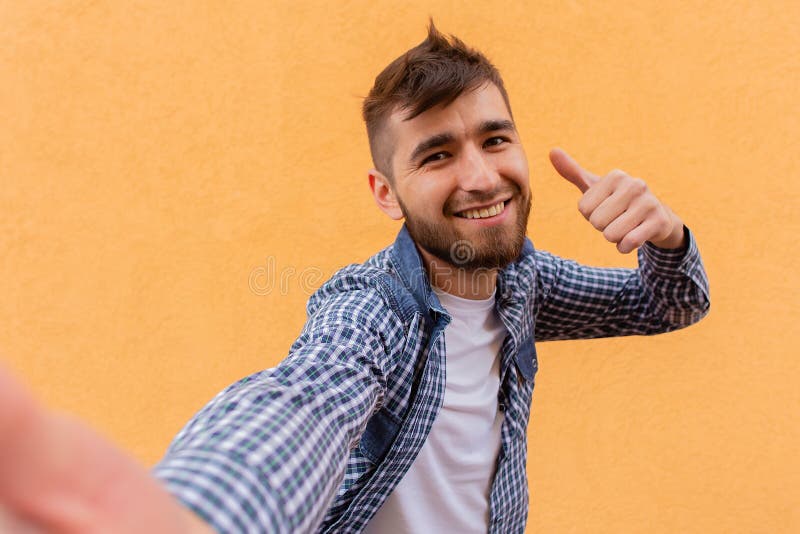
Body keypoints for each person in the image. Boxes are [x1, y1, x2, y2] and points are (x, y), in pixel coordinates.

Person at [0, 22, 709, 534]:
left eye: (494, 139)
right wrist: (189, 516)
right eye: (436, 156)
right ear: (385, 192)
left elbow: (667, 305)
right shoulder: (372, 312)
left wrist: (667, 240)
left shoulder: (523, 282)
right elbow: (304, 403)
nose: (481, 176)